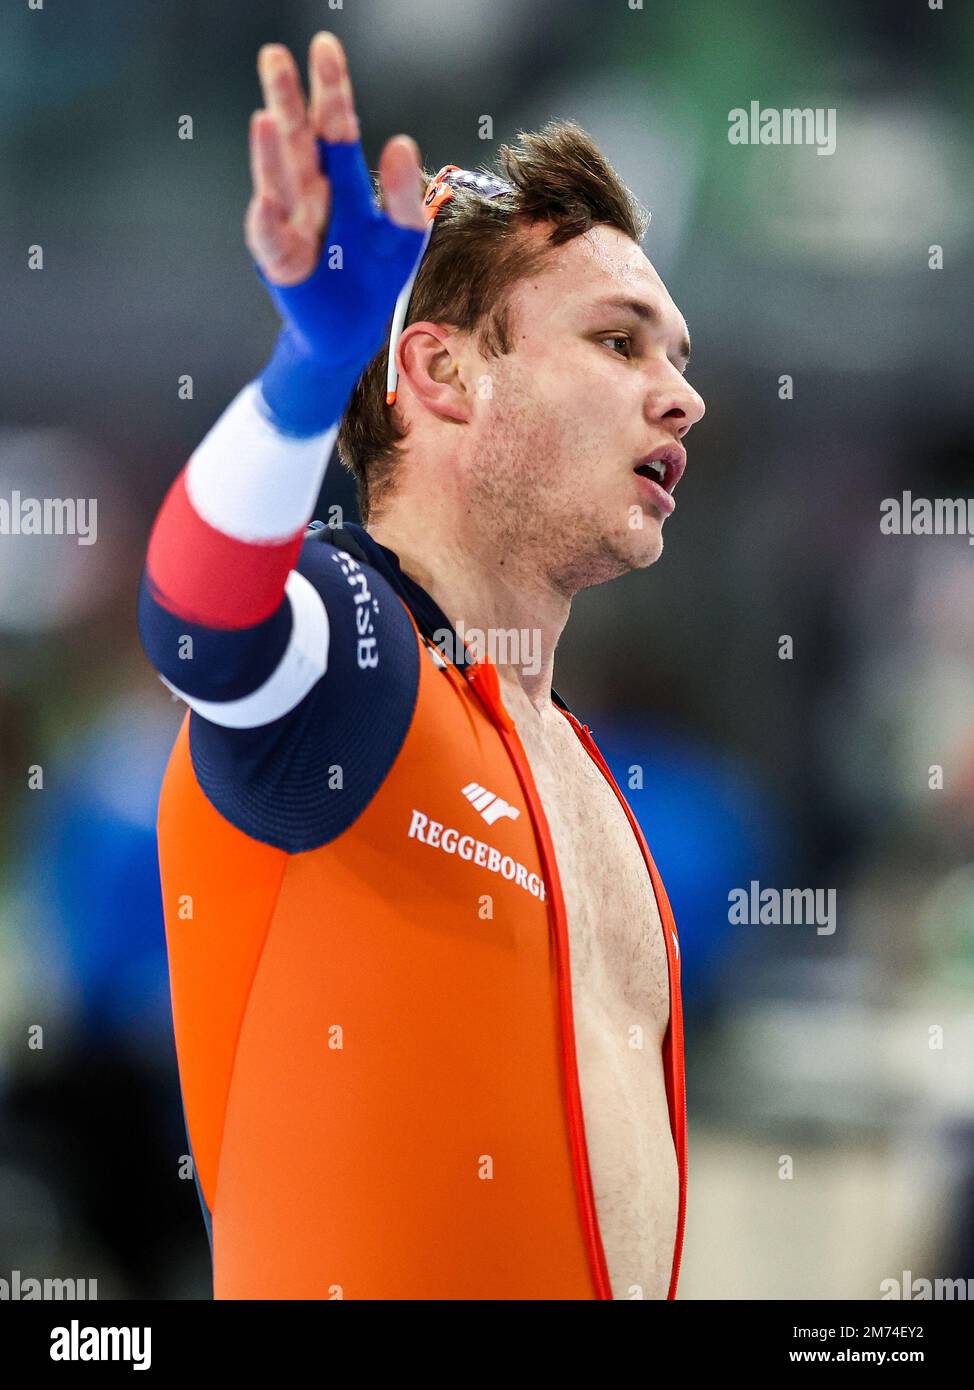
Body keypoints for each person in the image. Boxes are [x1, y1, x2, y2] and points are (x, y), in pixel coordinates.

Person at [137, 30, 705, 1300]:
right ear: (439, 371)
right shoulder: (356, 656)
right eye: (620, 344)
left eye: (678, 357)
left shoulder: (583, 772)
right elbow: (197, 623)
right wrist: (303, 372)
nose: (680, 397)